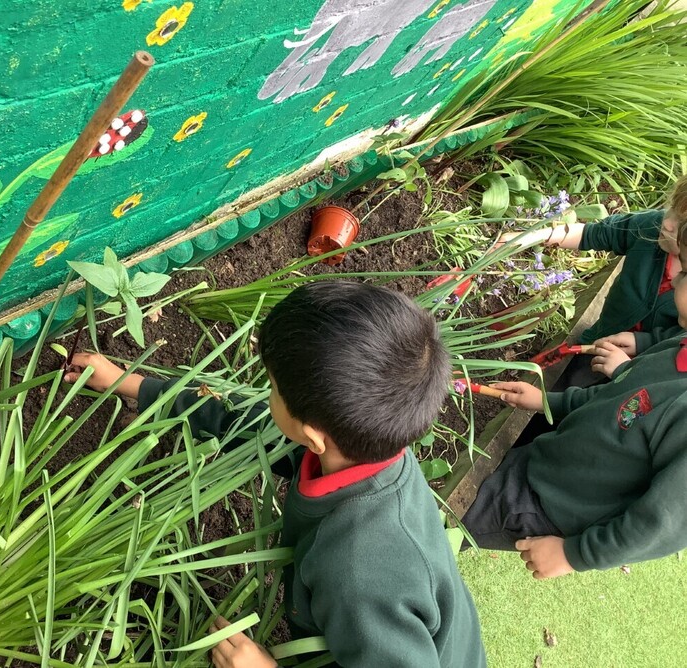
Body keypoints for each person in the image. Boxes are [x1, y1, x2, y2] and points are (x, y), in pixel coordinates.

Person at [65, 282, 486, 668]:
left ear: (313, 437)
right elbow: (243, 424)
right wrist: (132, 384)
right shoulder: (367, 445)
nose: (267, 396)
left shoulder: (358, 571)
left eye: (272, 388)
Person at [461, 213, 687, 579]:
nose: (676, 275)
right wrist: (546, 402)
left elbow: (664, 522)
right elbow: (615, 400)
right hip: (548, 460)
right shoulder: (679, 347)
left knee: (448, 520)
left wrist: (575, 554)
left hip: (549, 502)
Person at [501, 175, 686, 354]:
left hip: (646, 369)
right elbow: (594, 234)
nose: (667, 223)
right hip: (599, 339)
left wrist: (645, 343)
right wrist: (530, 238)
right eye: (672, 210)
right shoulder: (651, 227)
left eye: (681, 225)